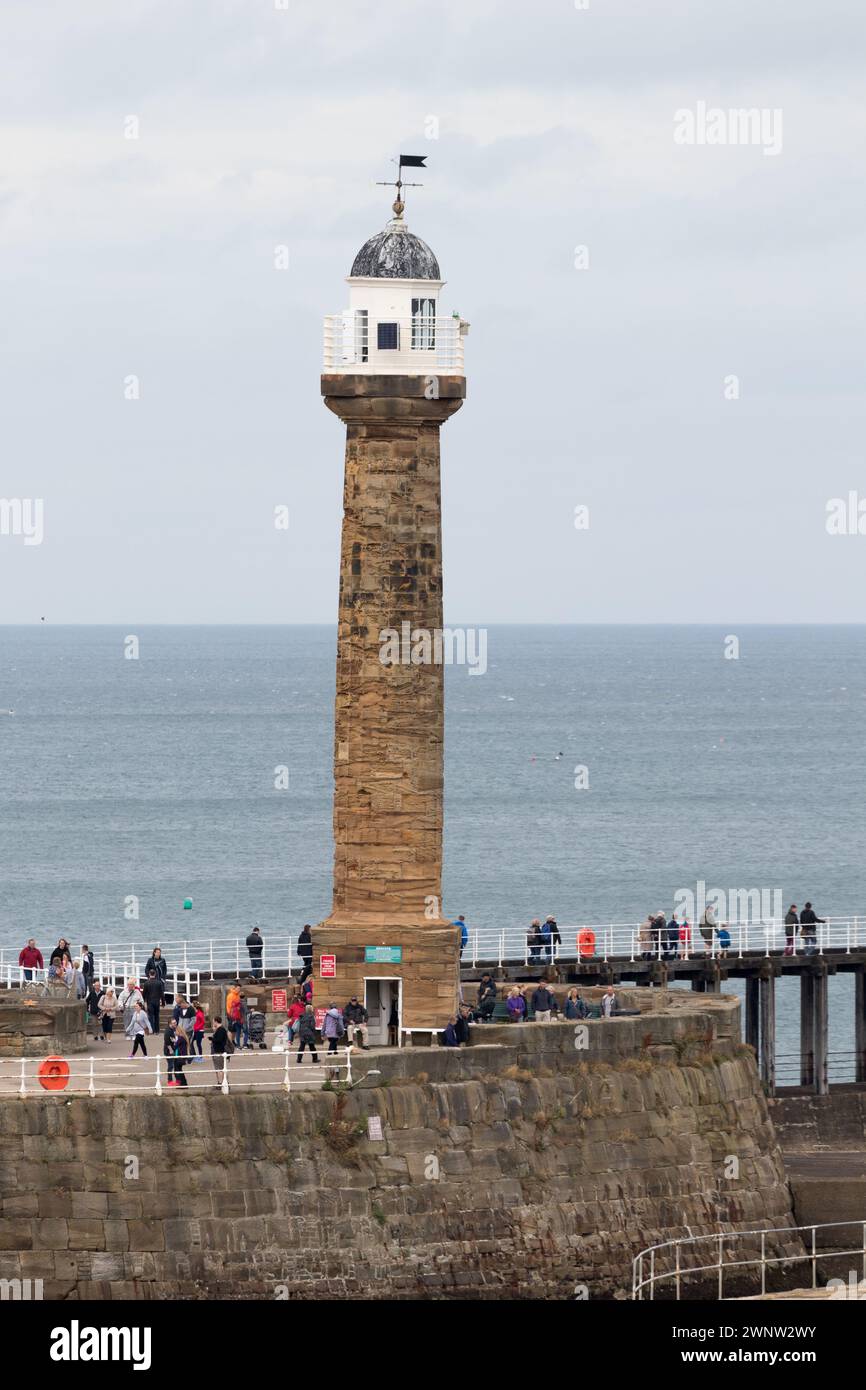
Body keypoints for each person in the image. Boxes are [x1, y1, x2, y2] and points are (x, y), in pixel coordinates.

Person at [164, 1019, 189, 1088]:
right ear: (170, 1023)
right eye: (174, 1023)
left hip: (180, 1056)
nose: (175, 1024)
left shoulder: (180, 1038)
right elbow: (167, 1042)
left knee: (177, 1069)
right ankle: (180, 1082)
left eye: (175, 1022)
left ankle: (181, 1083)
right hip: (179, 1055)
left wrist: (174, 1042)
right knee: (176, 1068)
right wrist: (174, 1043)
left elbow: (175, 1046)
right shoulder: (169, 1031)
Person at [142, 968, 164, 1038]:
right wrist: (163, 1003)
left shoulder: (146, 983)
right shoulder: (159, 982)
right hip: (157, 1002)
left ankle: (152, 1030)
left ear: (149, 974)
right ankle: (157, 1031)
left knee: (151, 1016)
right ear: (155, 974)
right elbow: (162, 994)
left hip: (150, 1002)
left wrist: (143, 1002)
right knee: (157, 1016)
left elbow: (144, 994)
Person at [210, 1016, 231, 1088]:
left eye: (213, 1022)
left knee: (219, 1069)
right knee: (221, 1068)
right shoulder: (220, 1030)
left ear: (216, 1021)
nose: (213, 1023)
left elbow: (218, 1040)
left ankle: (222, 1083)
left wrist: (212, 1039)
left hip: (219, 1052)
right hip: (219, 1051)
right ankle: (224, 1083)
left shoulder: (221, 1030)